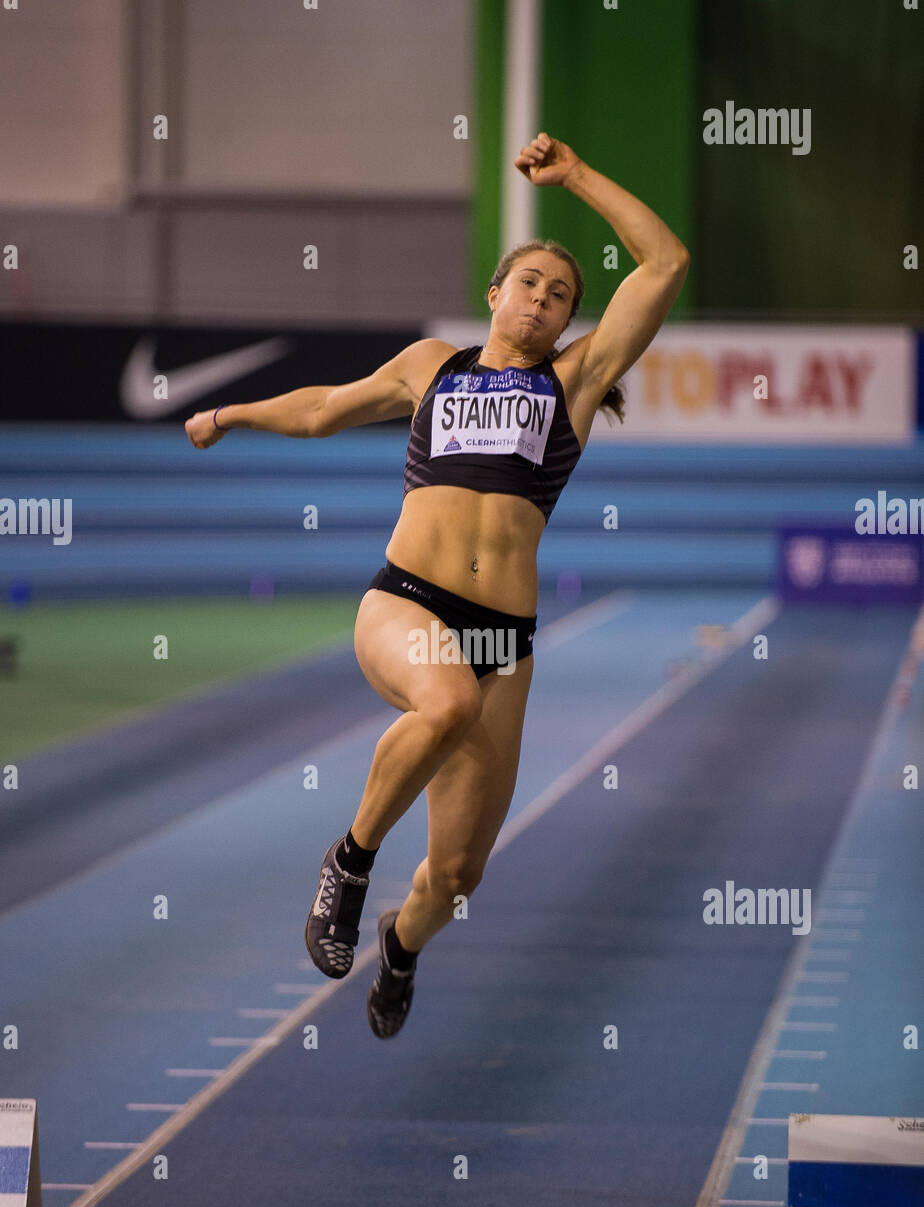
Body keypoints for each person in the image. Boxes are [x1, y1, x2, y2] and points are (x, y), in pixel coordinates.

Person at [185, 132, 689, 1040]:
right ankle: (348, 863)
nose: (543, 298)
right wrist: (231, 413)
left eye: (562, 293)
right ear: (495, 293)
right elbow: (326, 407)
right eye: (529, 282)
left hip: (505, 639)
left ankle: (402, 944)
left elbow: (666, 259)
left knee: (458, 876)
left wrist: (574, 175)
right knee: (445, 700)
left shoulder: (575, 380)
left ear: (572, 318)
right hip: (406, 600)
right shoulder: (432, 367)